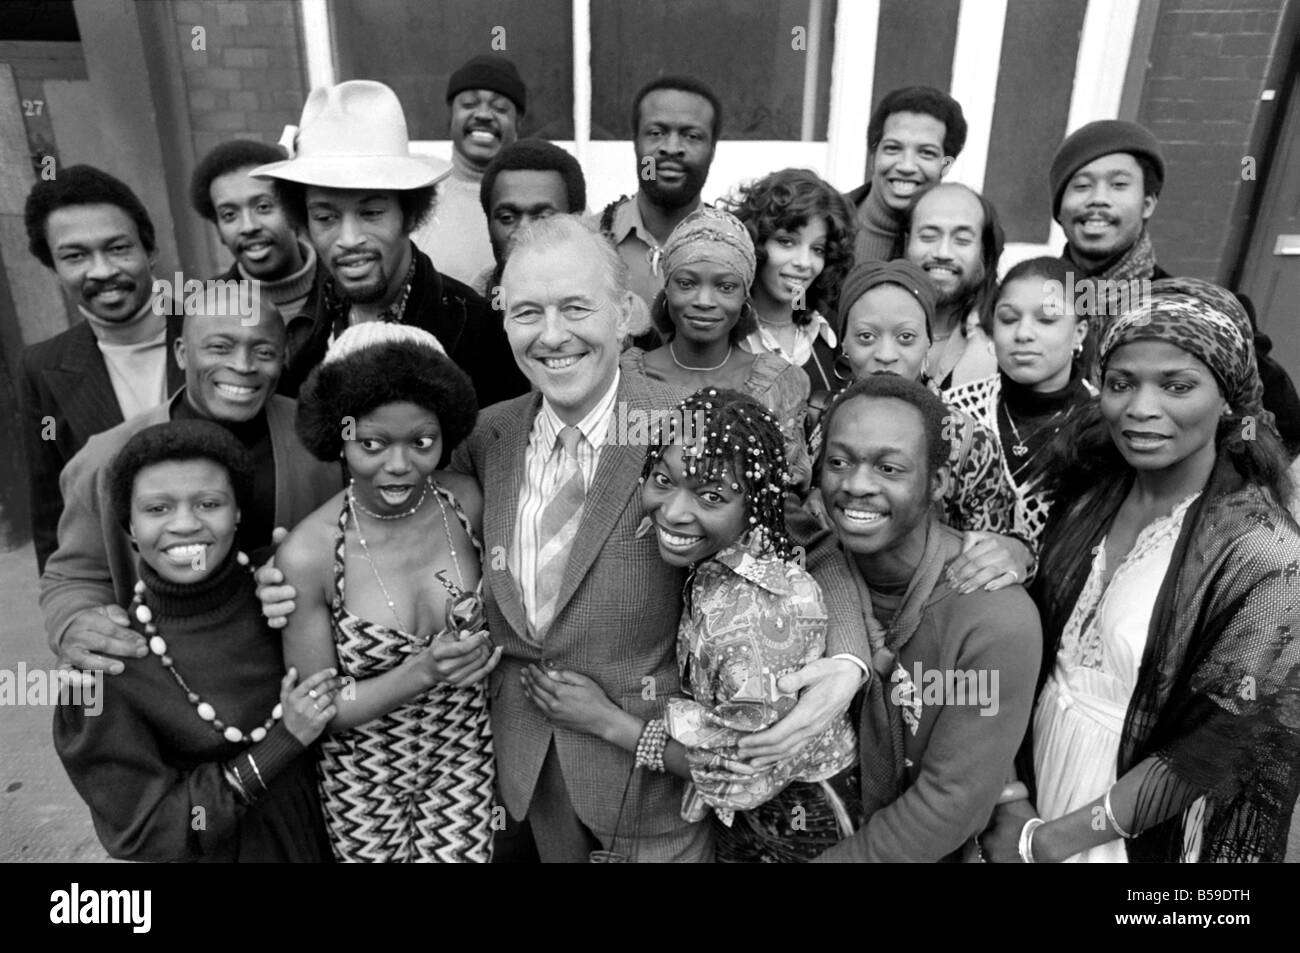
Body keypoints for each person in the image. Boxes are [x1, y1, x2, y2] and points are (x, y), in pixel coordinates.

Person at [983, 277, 1300, 863]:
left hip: (1132, 832)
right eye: (1122, 383)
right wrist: (1009, 801)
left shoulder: (1262, 553)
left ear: (1228, 397)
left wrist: (1047, 844)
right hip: (1031, 790)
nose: (1141, 408)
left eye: (1177, 385)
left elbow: (1214, 741)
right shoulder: (1088, 494)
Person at [520, 389, 859, 863]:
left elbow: (741, 771)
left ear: (756, 507)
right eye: (663, 479)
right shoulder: (718, 557)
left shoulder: (752, 618)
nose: (675, 511)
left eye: (712, 496)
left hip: (791, 826)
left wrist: (608, 723)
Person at [55, 419, 342, 862]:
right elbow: (146, 831)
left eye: (209, 503)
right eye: (157, 509)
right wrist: (280, 744)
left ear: (239, 512)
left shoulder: (285, 591)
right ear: (128, 525)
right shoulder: (106, 665)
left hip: (338, 835)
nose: (186, 524)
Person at [276, 322, 498, 862]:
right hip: (363, 783)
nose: (398, 466)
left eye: (421, 442)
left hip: (465, 761)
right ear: (339, 436)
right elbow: (321, 707)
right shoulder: (310, 555)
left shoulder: (469, 506)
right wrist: (425, 671)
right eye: (372, 444)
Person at [40, 290, 340, 676]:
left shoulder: (321, 442)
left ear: (283, 359)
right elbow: (74, 574)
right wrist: (75, 620)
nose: (243, 365)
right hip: (172, 683)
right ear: (182, 353)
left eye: (263, 352)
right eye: (219, 347)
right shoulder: (105, 459)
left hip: (301, 672)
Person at [810, 375, 1041, 862]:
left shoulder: (993, 617)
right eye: (838, 462)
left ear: (938, 483)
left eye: (889, 468)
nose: (855, 485)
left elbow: (946, 803)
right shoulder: (805, 569)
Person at [251, 80, 528, 406]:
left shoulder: (481, 334)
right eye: (326, 218)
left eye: (371, 213)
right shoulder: (303, 332)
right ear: (305, 222)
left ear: (410, 215)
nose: (349, 239)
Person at [19, 165, 185, 572]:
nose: (102, 270)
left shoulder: (214, 333)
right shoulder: (42, 367)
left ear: (149, 251)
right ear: (53, 268)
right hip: (125, 590)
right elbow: (52, 508)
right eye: (75, 256)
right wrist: (70, 611)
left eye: (118, 248)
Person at [620, 206, 811, 488]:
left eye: (726, 287)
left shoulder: (778, 384)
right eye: (686, 283)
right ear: (667, 289)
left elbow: (789, 492)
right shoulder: (626, 375)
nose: (705, 300)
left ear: (745, 295)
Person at [834, 259, 1015, 538]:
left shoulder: (968, 441)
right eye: (866, 337)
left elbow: (987, 556)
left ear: (928, 342)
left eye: (906, 337)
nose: (886, 354)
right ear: (843, 342)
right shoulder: (823, 423)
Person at [945, 257, 1097, 553]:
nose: (1023, 333)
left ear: (1078, 333)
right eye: (1009, 318)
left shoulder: (1102, 424)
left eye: (1047, 319)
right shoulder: (955, 411)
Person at [189, 139, 327, 395]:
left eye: (263, 207)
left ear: (293, 210)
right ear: (218, 230)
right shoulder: (203, 307)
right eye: (229, 215)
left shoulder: (345, 287)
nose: (248, 226)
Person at [726, 168, 857, 393]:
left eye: (818, 249)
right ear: (755, 242)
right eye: (787, 242)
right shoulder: (722, 333)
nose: (804, 262)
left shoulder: (834, 335)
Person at [597, 75, 721, 309]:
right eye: (656, 133)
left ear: (712, 150)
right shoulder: (589, 238)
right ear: (635, 143)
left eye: (692, 136)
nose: (671, 149)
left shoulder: (737, 246)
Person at [411, 54, 526, 287]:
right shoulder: (417, 194)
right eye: (469, 104)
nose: (483, 115)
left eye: (500, 108)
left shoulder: (544, 198)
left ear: (518, 123)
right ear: (450, 116)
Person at [844, 86, 966, 263]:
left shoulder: (960, 250)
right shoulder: (823, 226)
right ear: (873, 155)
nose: (906, 166)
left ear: (946, 164)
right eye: (893, 148)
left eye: (926, 153)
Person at [899, 182, 1002, 389]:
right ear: (906, 243)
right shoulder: (868, 320)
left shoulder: (1007, 337)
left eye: (962, 240)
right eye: (928, 236)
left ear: (984, 254)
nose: (943, 252)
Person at [477, 137, 587, 296]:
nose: (523, 232)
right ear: (489, 226)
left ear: (578, 224)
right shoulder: (461, 315)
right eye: (507, 217)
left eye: (543, 218)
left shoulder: (617, 312)